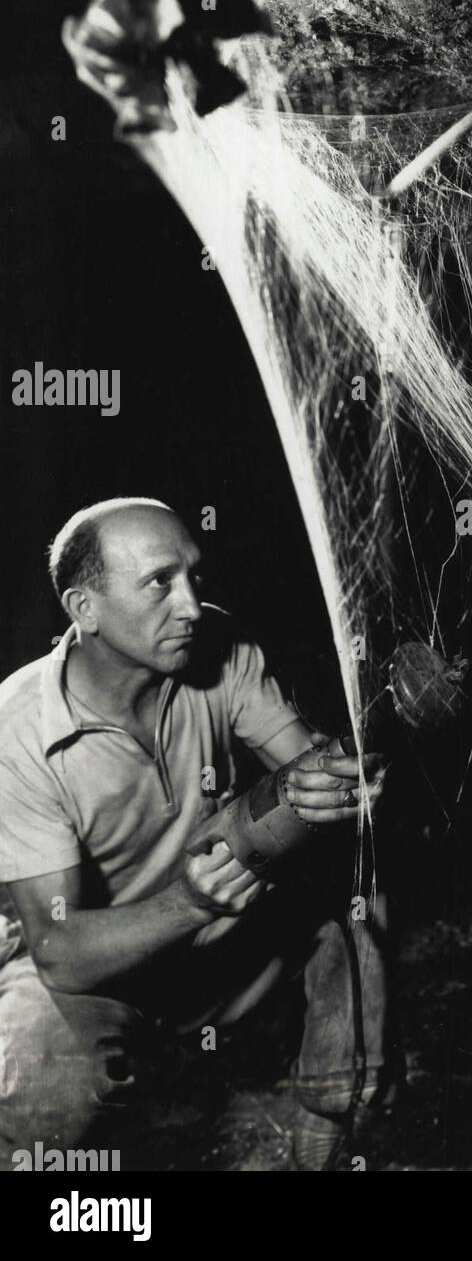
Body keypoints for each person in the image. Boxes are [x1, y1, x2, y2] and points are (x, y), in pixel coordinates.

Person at [0, 497, 388, 1171]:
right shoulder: (17, 734)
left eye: (193, 578)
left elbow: (303, 763)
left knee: (361, 886)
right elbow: (60, 950)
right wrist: (190, 902)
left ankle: (331, 1112)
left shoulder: (221, 648)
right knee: (41, 1084)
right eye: (159, 582)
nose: (189, 605)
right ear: (84, 608)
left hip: (216, 937)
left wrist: (351, 772)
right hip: (93, 972)